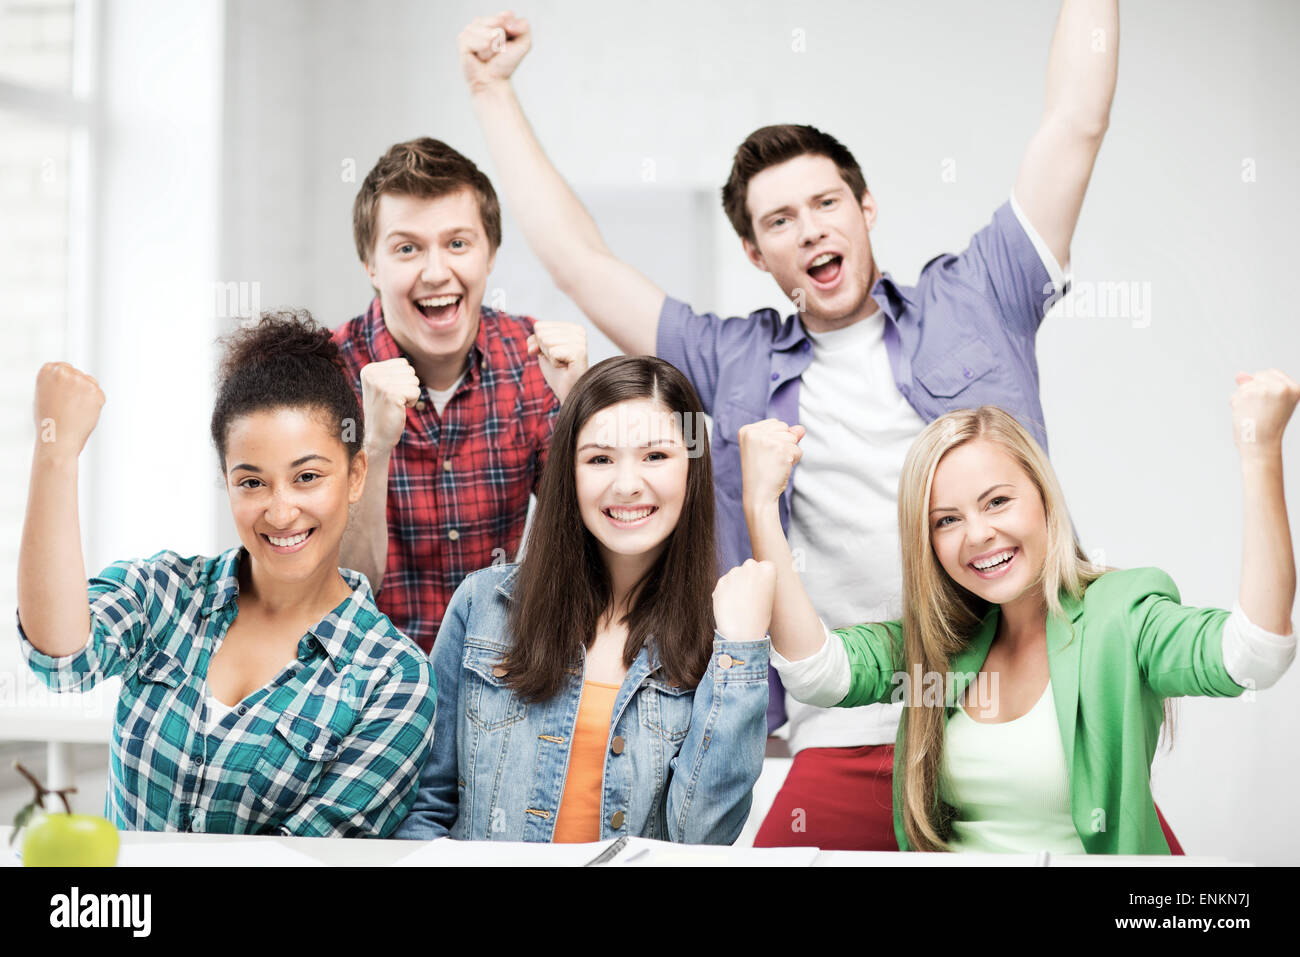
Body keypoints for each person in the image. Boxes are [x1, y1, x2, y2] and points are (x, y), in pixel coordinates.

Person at [454, 1, 1118, 848]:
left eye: (825, 202)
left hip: (1014, 707)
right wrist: (491, 90)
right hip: (843, 722)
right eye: (778, 221)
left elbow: (1076, 124)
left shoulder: (982, 297)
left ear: (865, 205)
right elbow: (582, 264)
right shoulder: (728, 360)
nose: (809, 230)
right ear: (754, 253)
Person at [739, 371, 1298, 853]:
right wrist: (762, 506)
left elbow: (1253, 656)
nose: (979, 535)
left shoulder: (1122, 615)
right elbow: (816, 671)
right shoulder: (937, 645)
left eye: (997, 501)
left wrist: (1260, 453)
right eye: (946, 520)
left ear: (1043, 499)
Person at [16, 312, 436, 837]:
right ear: (227, 483)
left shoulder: (392, 679)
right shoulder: (165, 594)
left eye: (307, 477)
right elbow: (63, 663)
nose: (281, 513)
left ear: (355, 475)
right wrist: (56, 453)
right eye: (252, 482)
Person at [395, 356, 772, 843]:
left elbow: (701, 841)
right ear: (569, 475)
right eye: (600, 459)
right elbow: (424, 808)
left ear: (691, 469)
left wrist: (740, 653)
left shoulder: (721, 635)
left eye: (655, 456)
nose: (628, 484)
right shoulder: (484, 604)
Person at [333, 136, 590, 654]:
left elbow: (593, 553)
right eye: (407, 248)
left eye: (457, 243)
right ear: (371, 265)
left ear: (490, 254)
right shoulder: (324, 375)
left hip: (499, 677)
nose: (435, 272)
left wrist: (583, 411)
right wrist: (374, 448)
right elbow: (335, 591)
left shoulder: (534, 360)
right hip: (366, 685)